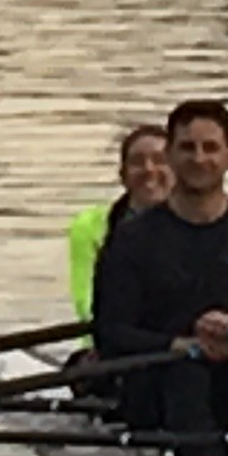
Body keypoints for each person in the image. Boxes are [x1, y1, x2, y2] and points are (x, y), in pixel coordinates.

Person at [89, 99, 228, 456]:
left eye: (210, 148)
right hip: (163, 389)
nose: (199, 158)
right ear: (171, 156)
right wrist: (179, 344)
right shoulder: (131, 241)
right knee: (186, 371)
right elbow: (110, 335)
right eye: (187, 148)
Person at [64, 124, 171, 319]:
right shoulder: (90, 225)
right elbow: (86, 303)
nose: (149, 169)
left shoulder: (204, 223)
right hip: (107, 343)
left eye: (160, 160)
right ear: (123, 175)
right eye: (137, 162)